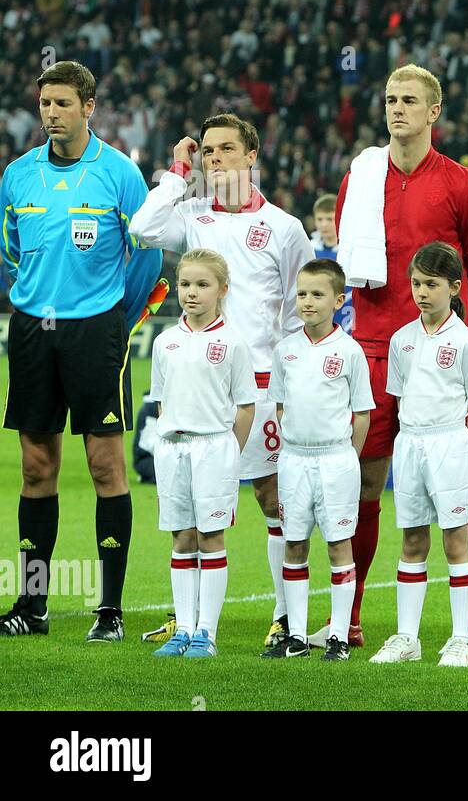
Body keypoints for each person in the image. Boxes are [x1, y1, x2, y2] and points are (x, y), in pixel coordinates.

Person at [335, 64, 468, 653]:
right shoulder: (360, 179)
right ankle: (348, 619)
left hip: (433, 360)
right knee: (361, 485)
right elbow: (348, 258)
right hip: (369, 351)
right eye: (389, 99)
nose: (396, 109)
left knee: (456, 491)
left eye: (409, 100)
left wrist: (445, 339)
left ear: (434, 111)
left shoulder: (463, 186)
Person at [129, 113, 316, 650]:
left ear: (251, 156)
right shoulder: (191, 215)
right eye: (207, 152)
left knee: (272, 499)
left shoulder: (283, 227)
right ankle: (186, 621)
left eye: (226, 150)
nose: (215, 160)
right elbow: (141, 229)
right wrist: (176, 171)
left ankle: (285, 616)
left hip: (257, 387)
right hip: (198, 382)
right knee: (188, 506)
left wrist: (286, 382)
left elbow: (298, 308)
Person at [0, 60, 164, 642]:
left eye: (62, 104)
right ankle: (31, 604)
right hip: (32, 330)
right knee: (36, 466)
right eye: (45, 104)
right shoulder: (18, 175)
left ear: (89, 106)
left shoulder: (120, 174)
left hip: (97, 333)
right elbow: (10, 249)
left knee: (105, 465)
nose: (51, 114)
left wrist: (116, 316)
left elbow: (146, 253)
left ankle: (110, 609)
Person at [369, 243, 468, 667]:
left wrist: (462, 452)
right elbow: (399, 400)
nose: (422, 292)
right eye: (417, 283)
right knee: (412, 538)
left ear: (454, 287)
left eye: (432, 285)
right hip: (411, 444)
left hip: (450, 444)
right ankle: (407, 637)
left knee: (456, 539)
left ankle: (461, 639)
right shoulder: (402, 340)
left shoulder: (465, 343)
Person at [261, 259, 374, 661]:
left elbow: (362, 414)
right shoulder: (286, 349)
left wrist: (349, 458)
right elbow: (279, 405)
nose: (307, 302)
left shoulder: (350, 351)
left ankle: (339, 636)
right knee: (294, 543)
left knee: (338, 544)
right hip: (293, 460)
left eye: (317, 294)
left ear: (338, 300)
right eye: (302, 293)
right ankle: (295, 635)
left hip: (336, 460)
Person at [148, 249, 258, 658]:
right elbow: (160, 400)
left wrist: (231, 452)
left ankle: (206, 633)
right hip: (173, 448)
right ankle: (183, 629)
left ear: (223, 290)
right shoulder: (165, 342)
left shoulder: (232, 343)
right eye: (185, 284)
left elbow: (245, 405)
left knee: (210, 536)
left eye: (202, 285)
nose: (191, 293)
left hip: (215, 447)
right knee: (182, 537)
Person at [310, 193, 353, 334]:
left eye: (329, 219)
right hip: (317, 312)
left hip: (346, 311)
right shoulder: (309, 248)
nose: (324, 224)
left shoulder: (350, 250)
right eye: (320, 219)